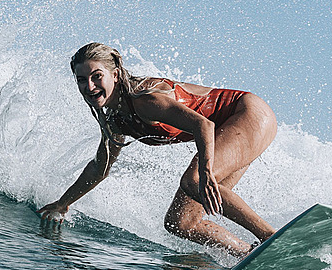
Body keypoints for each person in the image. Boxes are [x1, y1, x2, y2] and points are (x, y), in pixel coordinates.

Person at [39, 42, 278, 257]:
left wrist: (205, 173)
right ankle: (248, 254)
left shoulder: (144, 100)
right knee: (180, 222)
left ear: (115, 74)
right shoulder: (116, 120)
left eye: (96, 76)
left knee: (193, 181)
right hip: (228, 129)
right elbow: (99, 169)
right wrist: (63, 203)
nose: (89, 86)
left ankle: (270, 238)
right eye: (82, 80)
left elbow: (203, 125)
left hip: (248, 114)